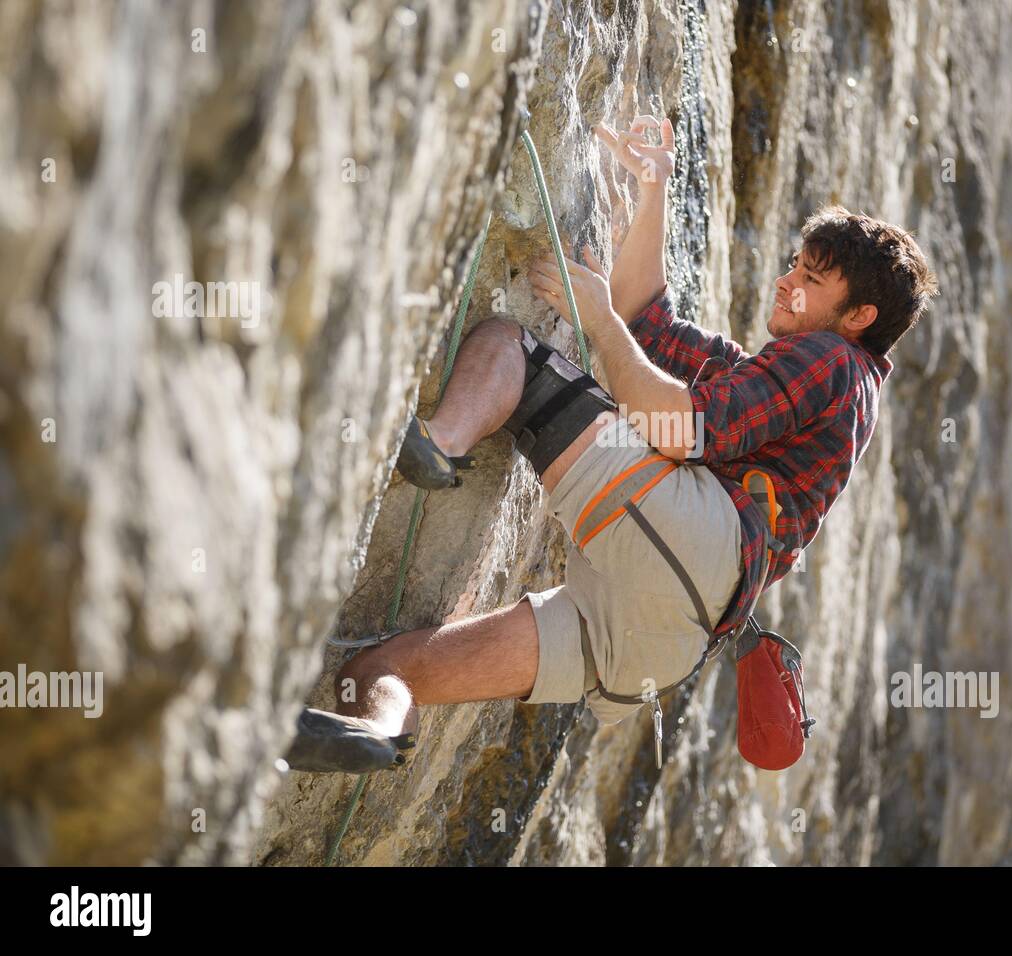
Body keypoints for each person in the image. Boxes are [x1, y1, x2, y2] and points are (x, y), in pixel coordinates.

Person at [286, 114, 937, 772]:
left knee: (506, 346)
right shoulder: (804, 387)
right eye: (794, 265)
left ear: (858, 318)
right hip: (659, 642)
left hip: (693, 544)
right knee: (385, 669)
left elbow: (678, 426)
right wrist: (653, 187)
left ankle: (437, 445)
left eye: (812, 280)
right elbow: (645, 321)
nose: (786, 282)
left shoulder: (829, 359)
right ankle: (370, 728)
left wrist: (594, 318)